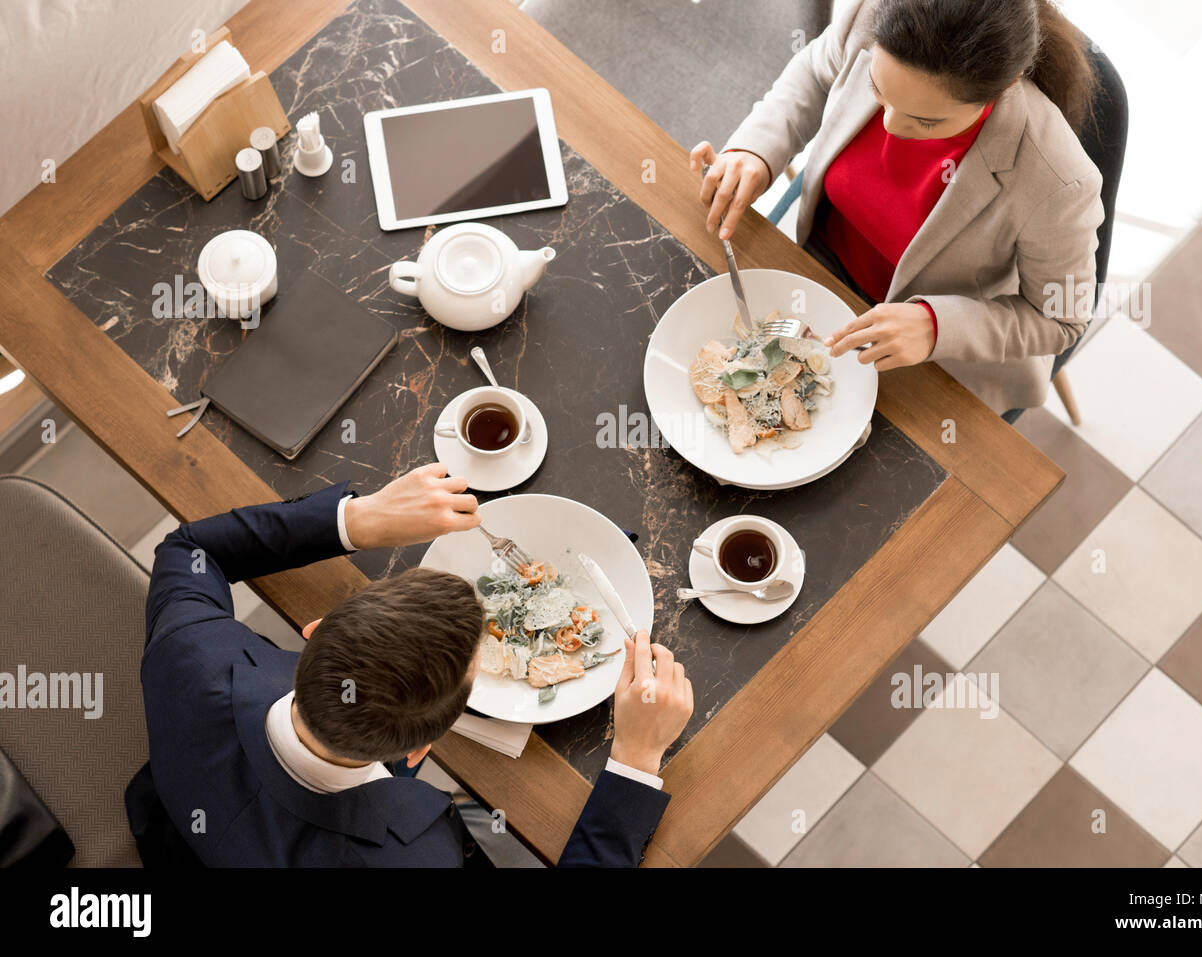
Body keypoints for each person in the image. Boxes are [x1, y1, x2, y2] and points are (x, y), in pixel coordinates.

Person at [125, 463, 693, 867]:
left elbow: (189, 549)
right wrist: (636, 759)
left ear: (319, 629)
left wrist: (357, 520)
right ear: (416, 751)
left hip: (176, 827)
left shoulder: (192, 654)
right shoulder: (417, 856)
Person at [691, 0, 1105, 415]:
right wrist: (755, 151)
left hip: (935, 358)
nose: (888, 126)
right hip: (821, 269)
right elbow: (817, 75)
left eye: (926, 122)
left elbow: (1059, 320)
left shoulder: (1059, 181)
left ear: (1003, 87)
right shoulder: (867, 14)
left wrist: (936, 325)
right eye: (877, 90)